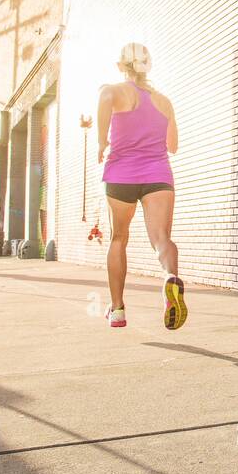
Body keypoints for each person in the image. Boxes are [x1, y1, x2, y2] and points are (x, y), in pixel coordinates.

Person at [97, 43, 187, 330]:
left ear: (121, 65)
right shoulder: (164, 101)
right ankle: (171, 277)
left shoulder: (110, 91)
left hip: (121, 174)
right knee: (161, 238)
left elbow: (102, 136)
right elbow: (172, 146)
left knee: (118, 238)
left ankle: (118, 309)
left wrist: (101, 142)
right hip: (158, 175)